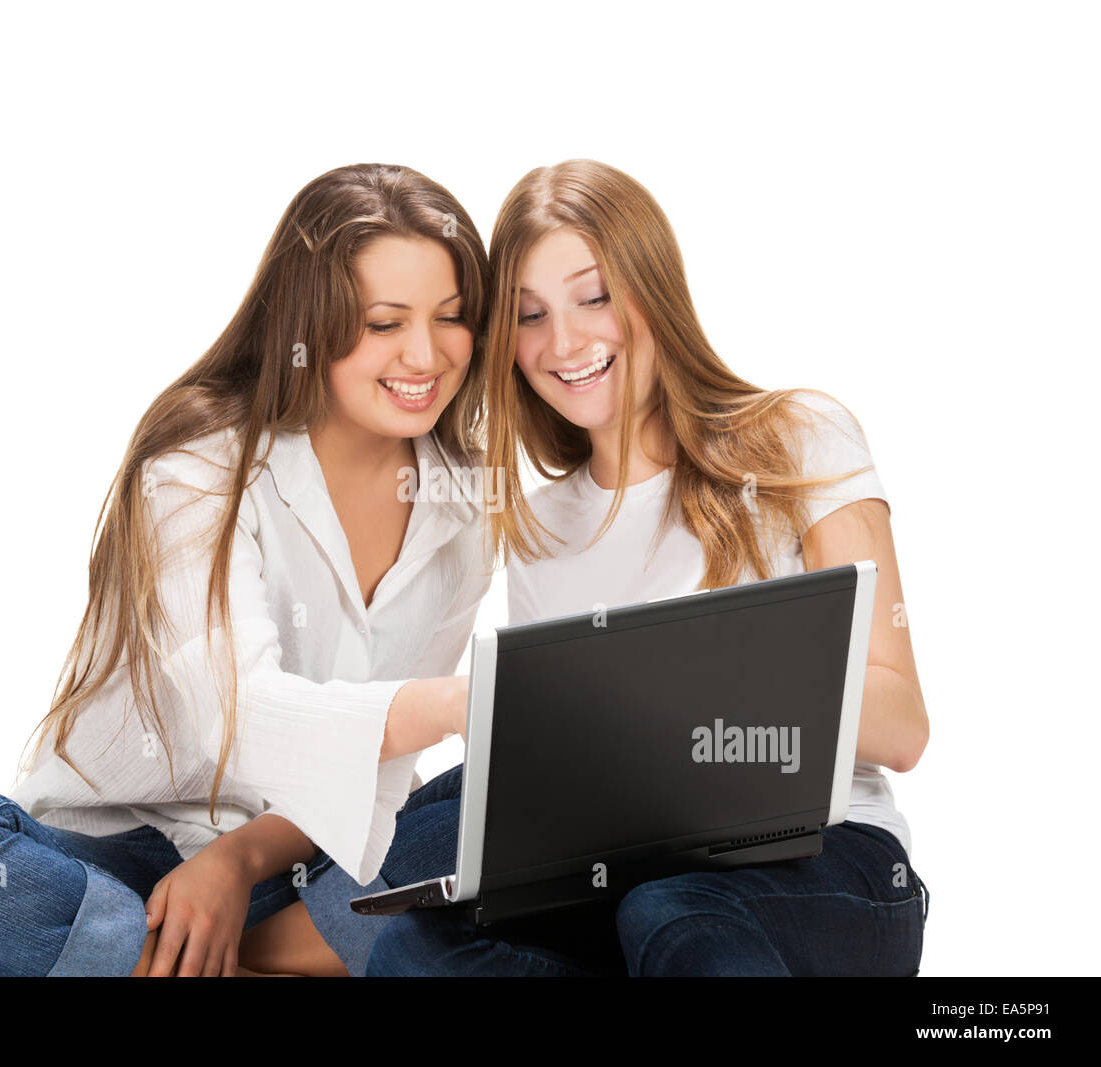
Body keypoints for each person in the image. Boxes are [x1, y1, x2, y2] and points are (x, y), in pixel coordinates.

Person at [0, 163, 492, 977]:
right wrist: (448, 703)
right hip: (113, 862)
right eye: (383, 322)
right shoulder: (197, 468)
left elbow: (378, 775)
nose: (425, 353)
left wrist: (235, 864)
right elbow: (246, 714)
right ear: (312, 323)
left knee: (524, 786)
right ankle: (184, 957)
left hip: (293, 866)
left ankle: (224, 962)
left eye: (451, 318)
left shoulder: (463, 507)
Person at [366, 159, 931, 977]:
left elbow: (904, 724)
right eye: (530, 315)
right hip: (626, 871)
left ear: (651, 287)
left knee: (672, 911)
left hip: (829, 865)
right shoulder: (541, 526)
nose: (565, 343)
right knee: (414, 942)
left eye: (593, 297)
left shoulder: (799, 436)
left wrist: (667, 707)